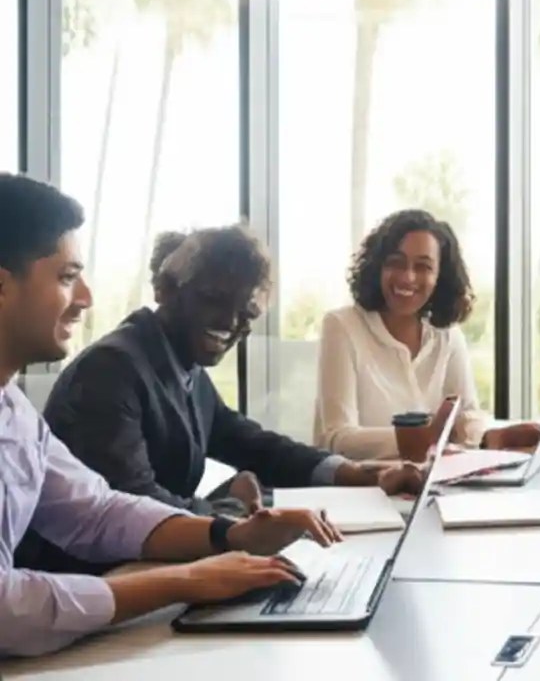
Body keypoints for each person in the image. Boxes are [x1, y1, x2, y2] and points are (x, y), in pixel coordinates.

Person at [0, 173, 342, 658]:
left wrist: (229, 534)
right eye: (66, 277)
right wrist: (188, 579)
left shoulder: (13, 409)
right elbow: (6, 610)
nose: (86, 299)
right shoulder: (113, 366)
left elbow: (97, 511)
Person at [33, 224, 425, 522]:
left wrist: (358, 475)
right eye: (215, 299)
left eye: (247, 313)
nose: (230, 321)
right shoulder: (113, 369)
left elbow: (252, 444)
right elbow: (130, 508)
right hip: (95, 592)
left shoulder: (180, 365)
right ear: (166, 289)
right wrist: (225, 508)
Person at [314, 209, 540, 459]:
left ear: (439, 277)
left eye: (423, 267)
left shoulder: (447, 335)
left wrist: (489, 437)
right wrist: (423, 439)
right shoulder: (342, 326)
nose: (408, 277)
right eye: (395, 262)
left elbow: (466, 415)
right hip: (363, 488)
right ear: (378, 267)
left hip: (431, 485)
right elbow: (336, 438)